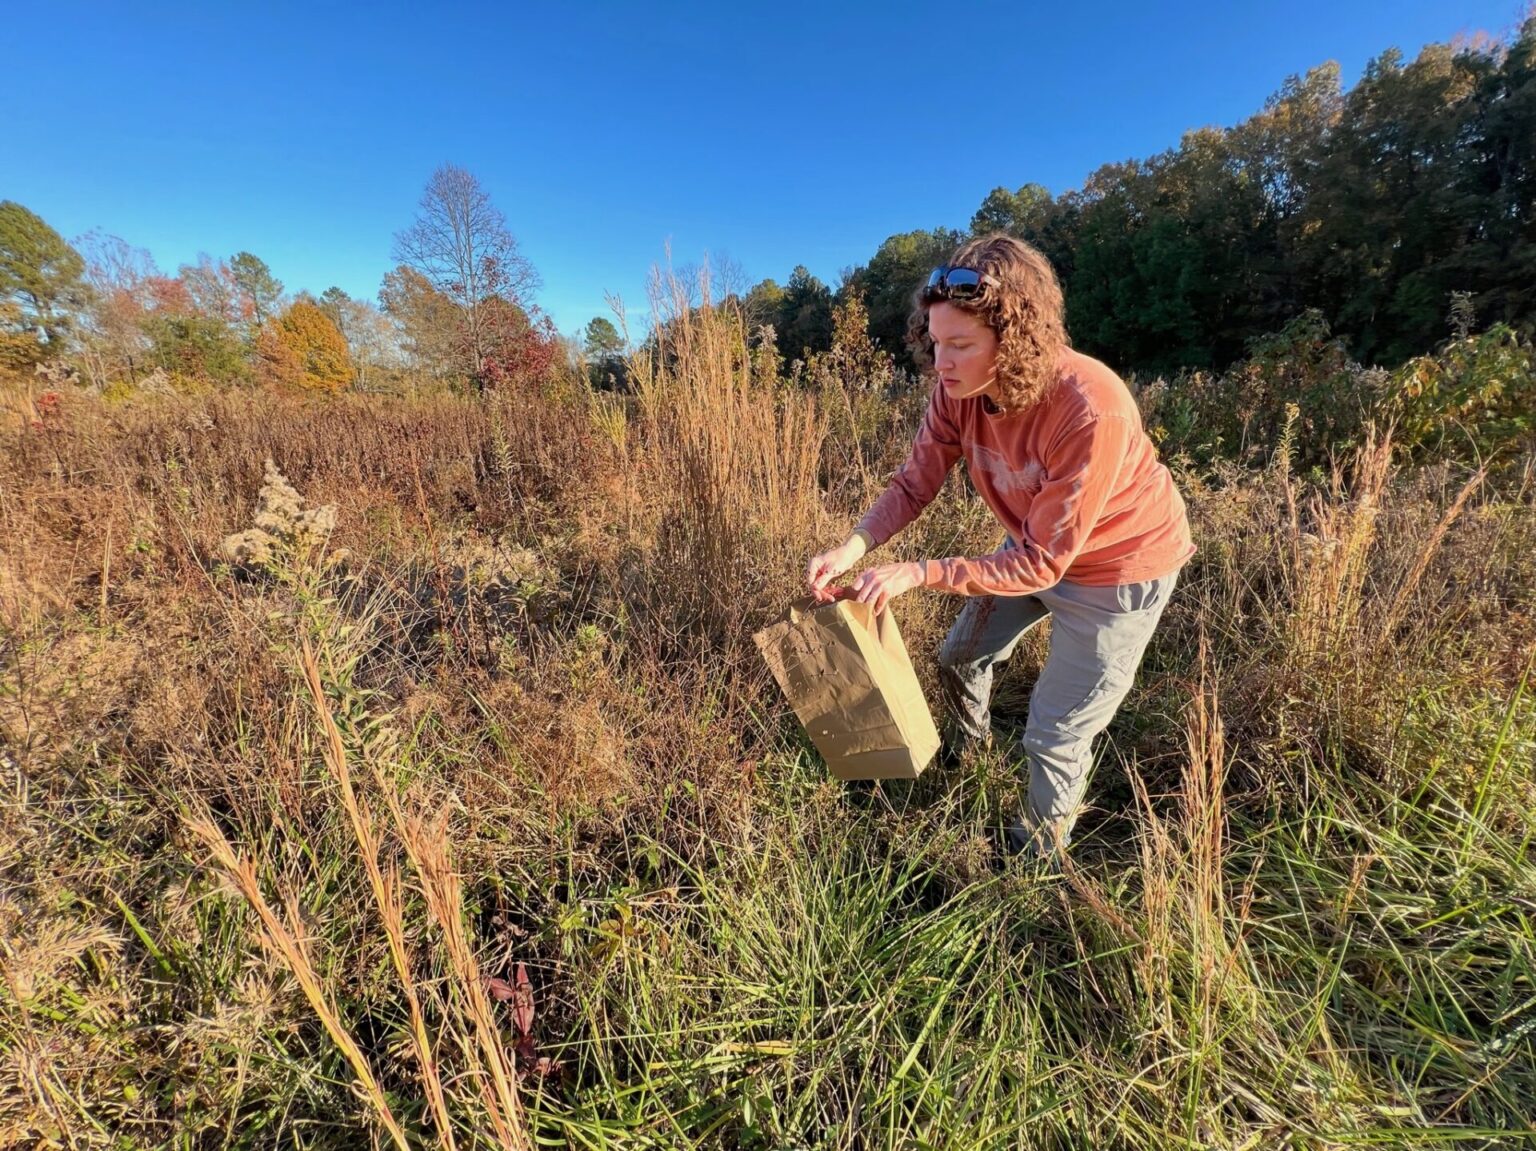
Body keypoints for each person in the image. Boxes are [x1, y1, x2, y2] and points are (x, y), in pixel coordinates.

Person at [805, 233, 1195, 864]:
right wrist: (852, 547)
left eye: (960, 345)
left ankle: (1034, 861)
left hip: (1118, 572)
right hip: (1034, 542)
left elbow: (1044, 563)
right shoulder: (957, 392)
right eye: (936, 342)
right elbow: (914, 483)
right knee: (959, 656)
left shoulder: (1090, 409)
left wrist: (918, 572)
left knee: (1056, 733)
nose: (942, 362)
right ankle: (969, 754)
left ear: (1015, 340)